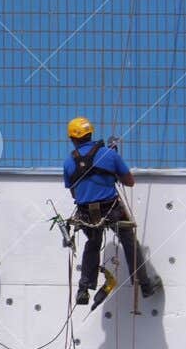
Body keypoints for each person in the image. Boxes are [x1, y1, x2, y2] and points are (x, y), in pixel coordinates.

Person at [62, 115, 156, 308]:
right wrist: (111, 171)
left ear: (72, 138)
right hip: (111, 209)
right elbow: (129, 182)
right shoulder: (109, 155)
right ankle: (144, 285)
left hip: (86, 213)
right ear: (90, 134)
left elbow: (74, 191)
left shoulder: (68, 163)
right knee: (129, 240)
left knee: (93, 242)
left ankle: (84, 288)